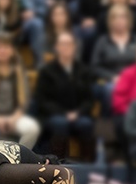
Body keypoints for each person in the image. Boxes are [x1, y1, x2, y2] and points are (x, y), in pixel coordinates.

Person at [35, 32, 95, 161]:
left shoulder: (84, 70)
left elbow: (89, 99)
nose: (66, 47)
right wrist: (63, 113)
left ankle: (88, 165)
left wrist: (78, 113)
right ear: (56, 47)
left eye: (69, 44)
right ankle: (59, 163)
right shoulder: (47, 71)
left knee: (86, 124)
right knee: (60, 123)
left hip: (78, 115)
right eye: (63, 44)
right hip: (54, 115)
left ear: (74, 47)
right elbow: (42, 100)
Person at [90, 4, 136, 117]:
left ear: (129, 20)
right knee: (110, 90)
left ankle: (135, 124)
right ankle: (108, 127)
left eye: (123, 17)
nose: (119, 20)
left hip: (134, 80)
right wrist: (112, 77)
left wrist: (128, 78)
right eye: (115, 17)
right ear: (110, 21)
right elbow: (94, 67)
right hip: (109, 81)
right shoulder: (102, 41)